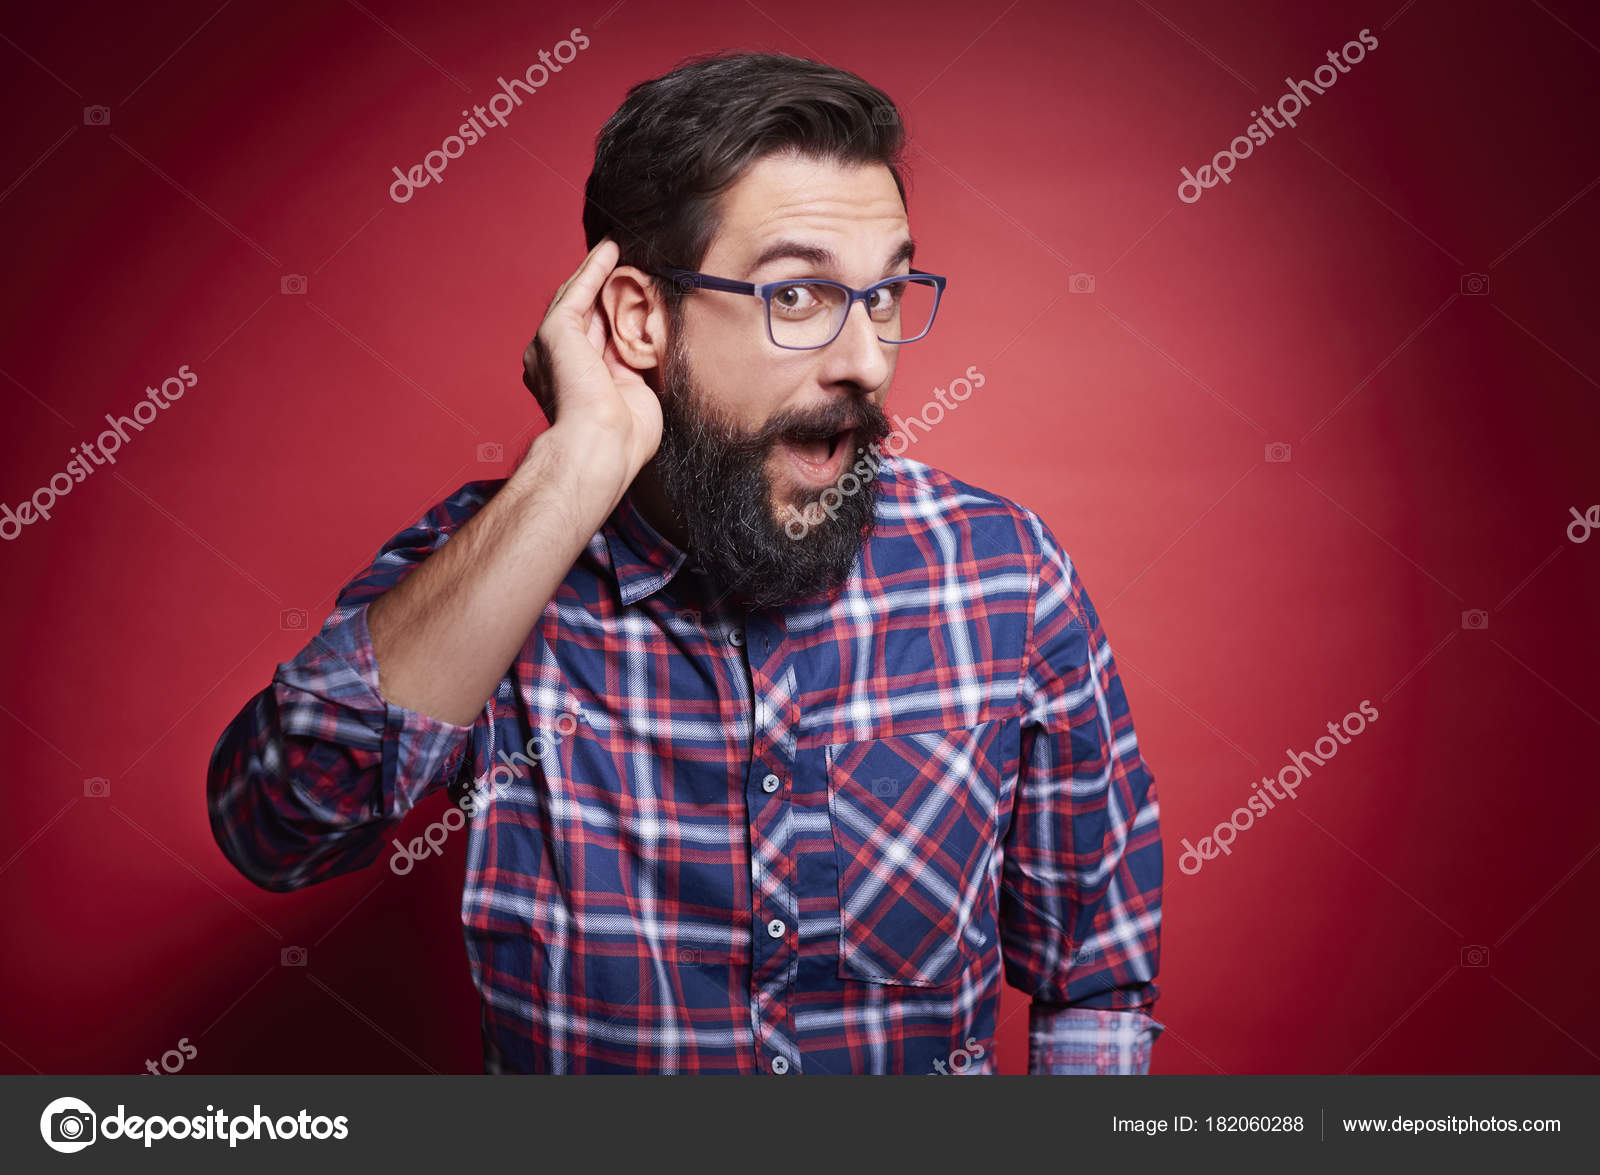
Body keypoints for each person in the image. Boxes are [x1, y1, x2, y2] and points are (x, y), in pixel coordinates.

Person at [207, 50, 1164, 1075]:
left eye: (884, 294)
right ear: (637, 318)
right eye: (797, 296)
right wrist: (571, 469)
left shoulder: (1003, 577)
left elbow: (1095, 976)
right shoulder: (497, 567)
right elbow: (280, 826)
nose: (869, 361)